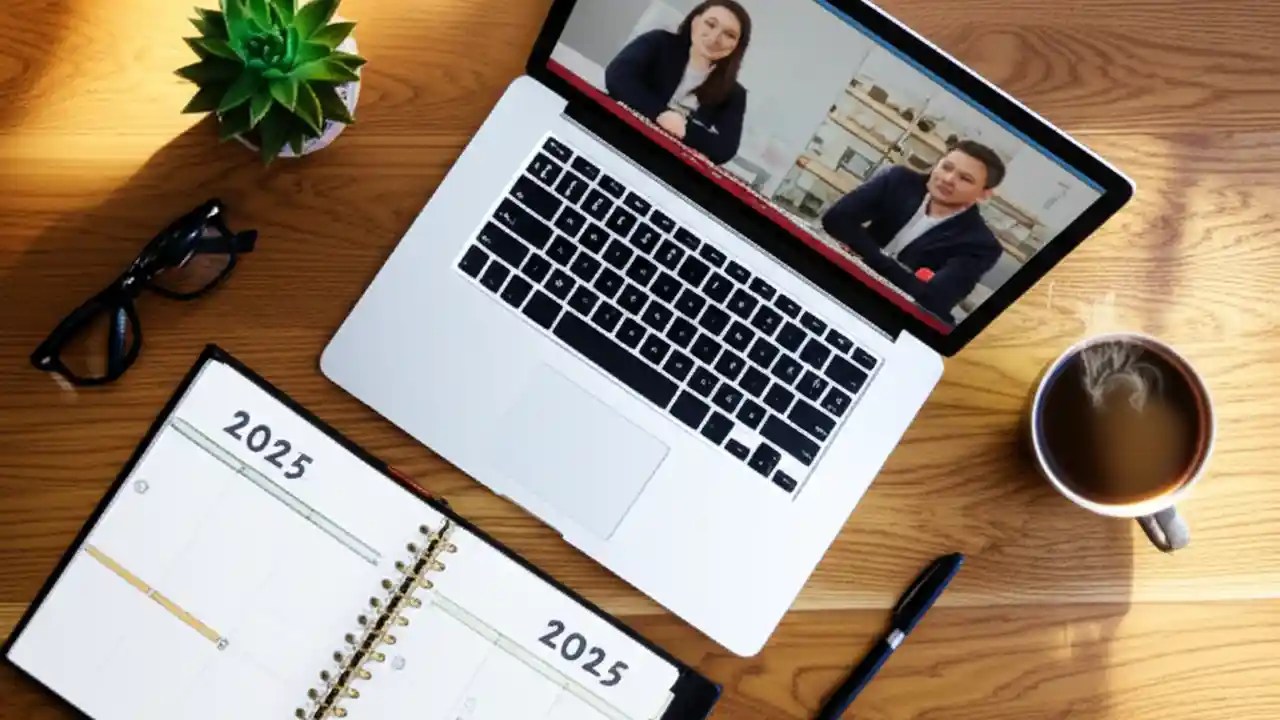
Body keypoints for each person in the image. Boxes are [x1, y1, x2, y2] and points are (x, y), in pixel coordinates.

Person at [821, 141, 1007, 320]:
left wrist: (867, 255)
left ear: (984, 194)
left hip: (886, 312)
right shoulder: (899, 180)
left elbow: (934, 299)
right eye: (946, 167)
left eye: (965, 179)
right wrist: (901, 274)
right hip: (838, 276)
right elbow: (836, 219)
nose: (948, 179)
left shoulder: (981, 244)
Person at [605, 1, 752, 165]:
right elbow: (617, 77)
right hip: (615, 136)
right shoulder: (659, 42)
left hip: (664, 164)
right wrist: (661, 114)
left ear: (737, 45)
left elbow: (725, 148)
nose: (715, 38)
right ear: (695, 22)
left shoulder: (734, 94)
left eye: (729, 35)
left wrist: (684, 129)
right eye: (710, 24)